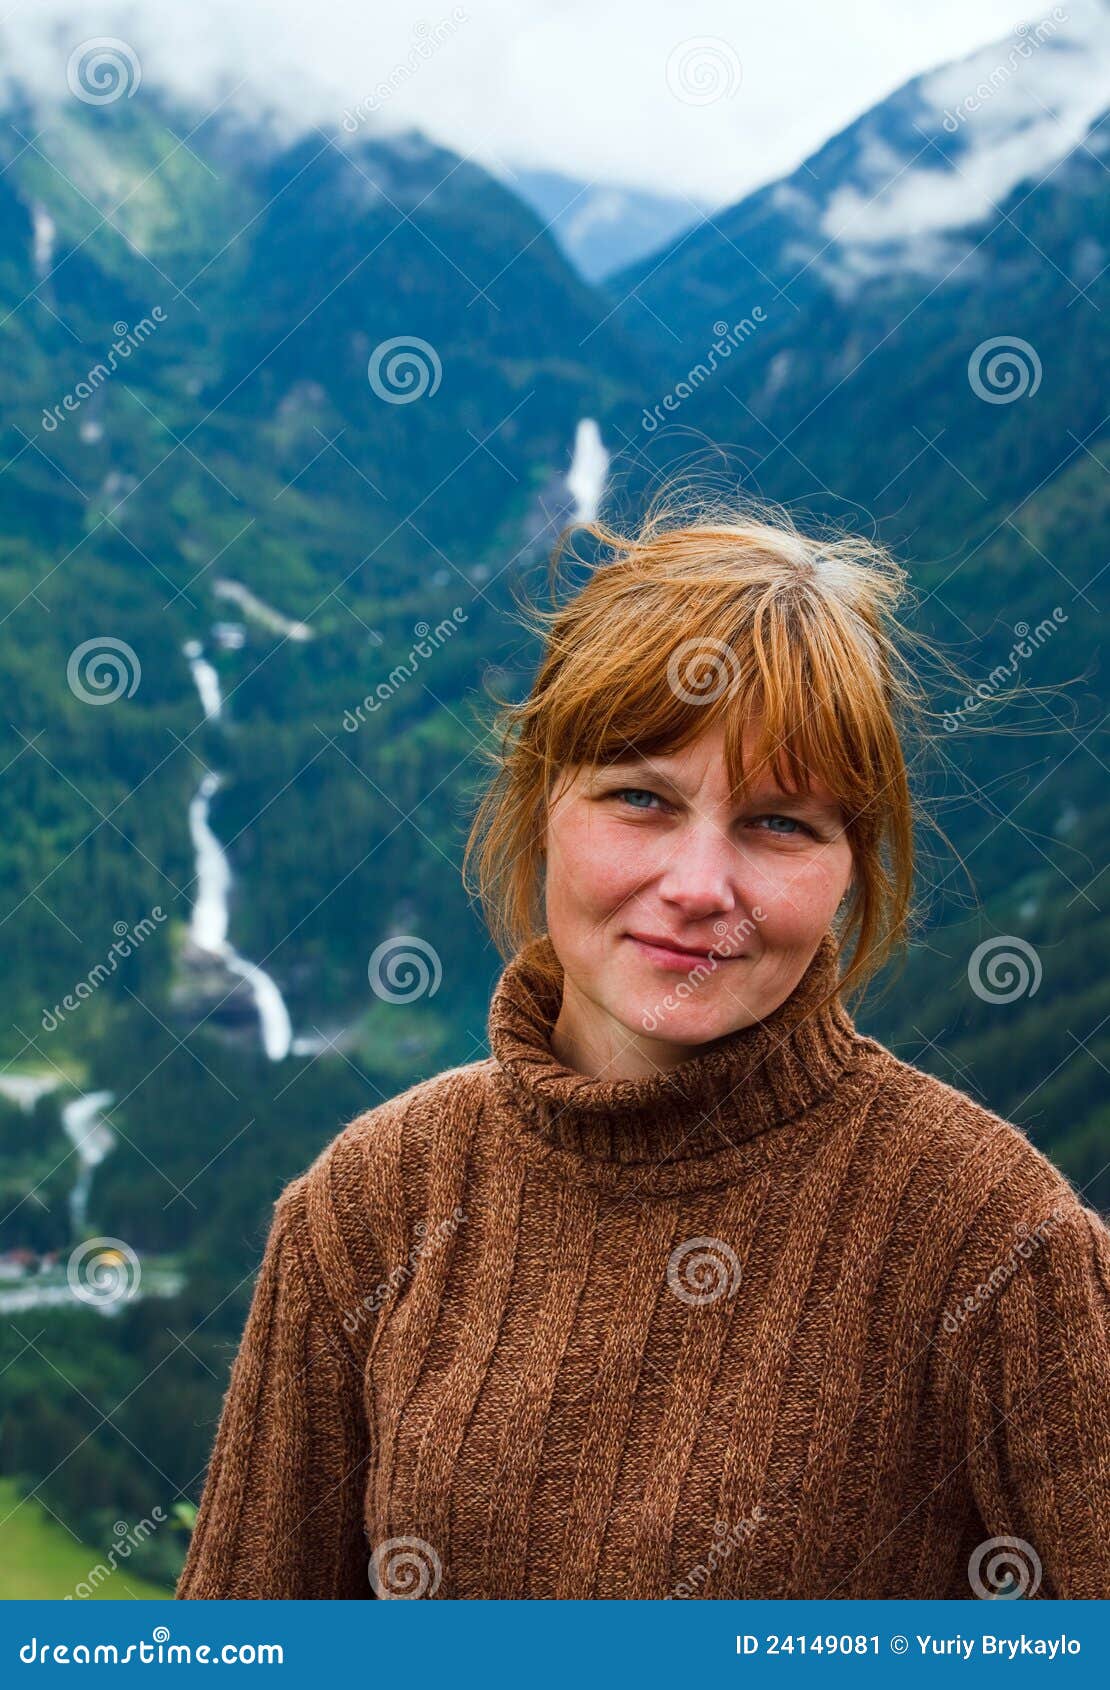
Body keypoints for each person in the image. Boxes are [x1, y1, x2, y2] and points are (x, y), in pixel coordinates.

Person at [176, 500, 1110, 1601]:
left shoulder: (998, 1247)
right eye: (639, 798)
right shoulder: (365, 1211)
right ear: (542, 803)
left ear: (852, 864)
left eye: (780, 823)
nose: (699, 887)